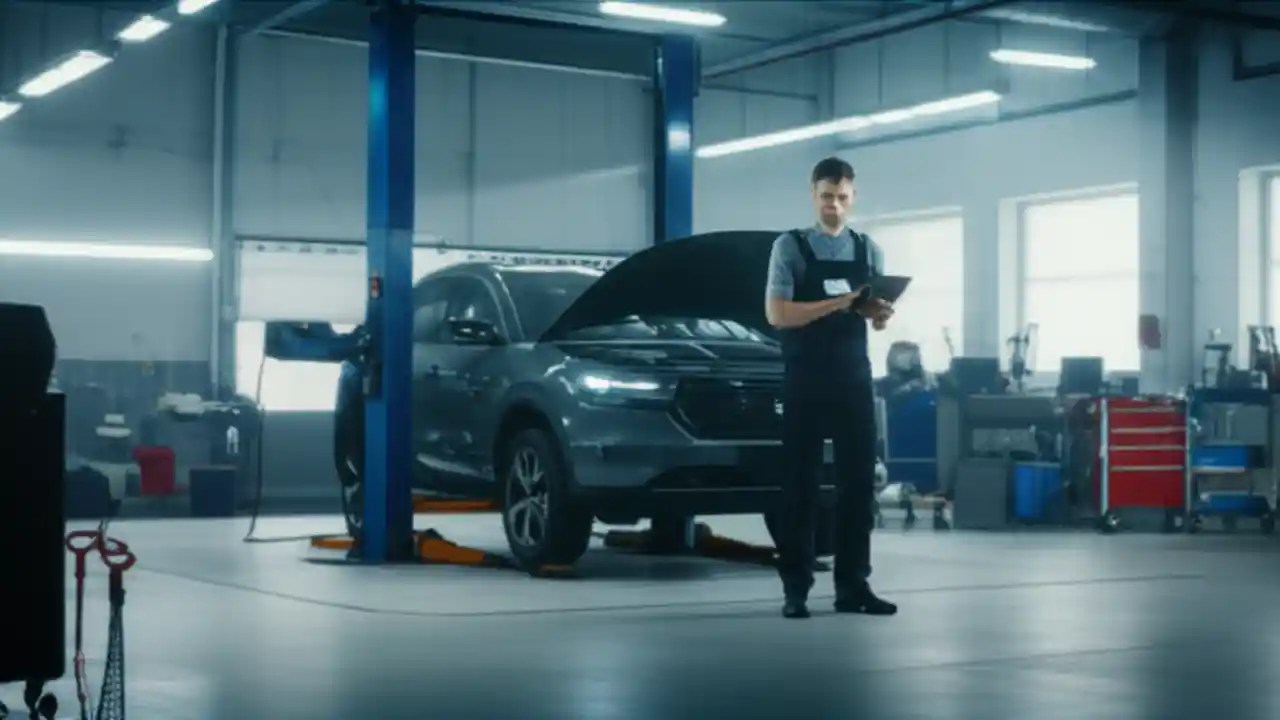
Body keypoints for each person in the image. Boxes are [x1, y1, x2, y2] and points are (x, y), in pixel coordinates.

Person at [763, 156, 898, 619]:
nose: (834, 207)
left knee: (858, 487)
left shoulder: (869, 249)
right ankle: (795, 589)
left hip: (853, 381)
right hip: (804, 379)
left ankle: (852, 587)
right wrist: (842, 301)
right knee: (799, 486)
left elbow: (871, 320)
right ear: (812, 194)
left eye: (842, 198)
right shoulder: (791, 247)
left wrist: (878, 314)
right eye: (826, 197)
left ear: (853, 197)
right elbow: (778, 315)